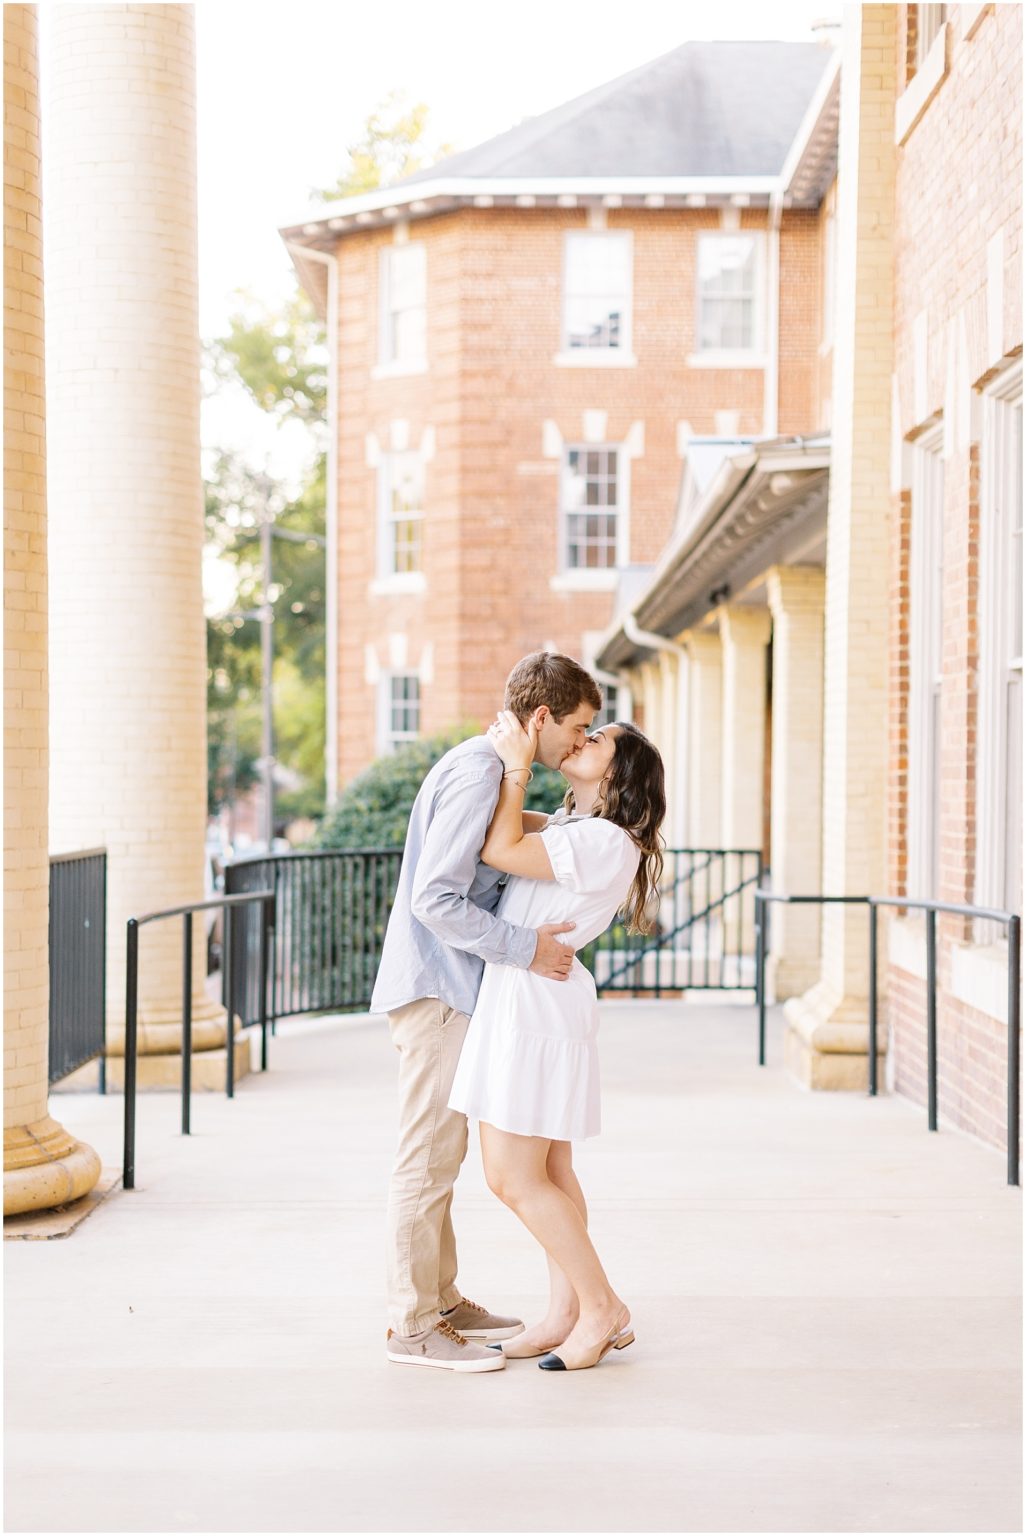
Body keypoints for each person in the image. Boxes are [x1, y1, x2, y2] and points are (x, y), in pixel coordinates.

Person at [371, 652, 604, 1372]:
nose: (579, 742)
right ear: (542, 718)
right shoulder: (480, 772)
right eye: (578, 727)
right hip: (440, 990)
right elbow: (434, 898)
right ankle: (412, 1324)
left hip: (448, 990)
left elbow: (512, 845)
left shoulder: (488, 769)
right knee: (428, 1158)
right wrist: (525, 950)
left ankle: (439, 1299)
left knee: (444, 1152)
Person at [447, 710, 666, 1372]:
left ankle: (602, 1307)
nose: (583, 739)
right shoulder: (587, 830)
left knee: (511, 1176)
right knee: (550, 1171)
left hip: (534, 1009)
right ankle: (563, 1312)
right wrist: (519, 790)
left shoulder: (603, 841)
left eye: (598, 740)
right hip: (533, 1002)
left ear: (619, 773)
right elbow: (523, 829)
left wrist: (516, 768)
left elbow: (500, 850)